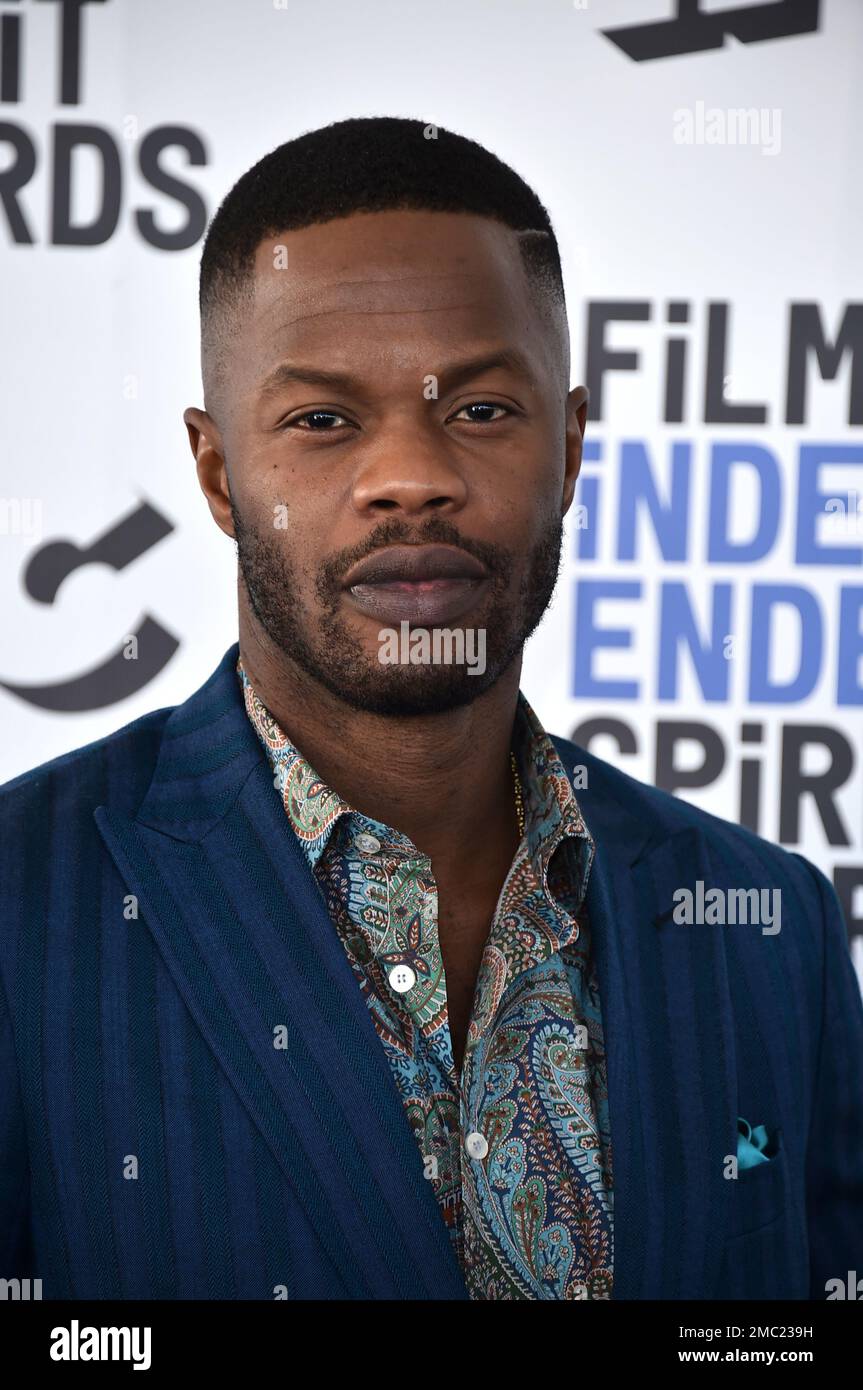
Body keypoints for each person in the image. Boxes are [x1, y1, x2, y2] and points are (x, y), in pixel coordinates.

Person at [1, 116, 861, 1301]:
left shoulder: (772, 929)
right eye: (321, 420)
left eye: (478, 410)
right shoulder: (20, 903)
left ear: (567, 447)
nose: (410, 473)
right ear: (216, 474)